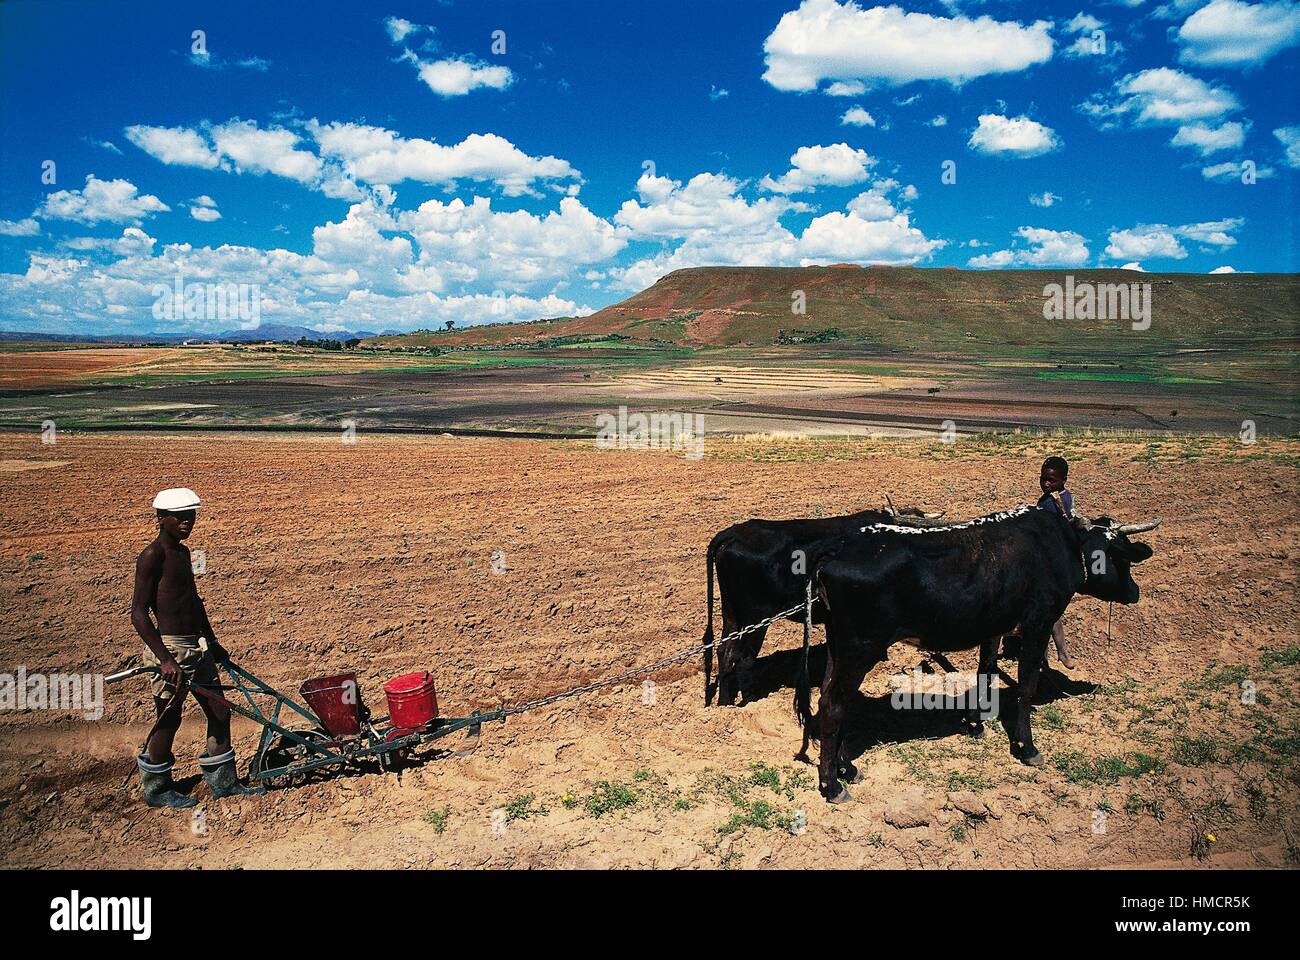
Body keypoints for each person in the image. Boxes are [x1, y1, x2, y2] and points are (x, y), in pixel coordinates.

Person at [130, 487, 264, 808]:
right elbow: (138, 613)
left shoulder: (183, 553)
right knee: (168, 718)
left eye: (191, 517)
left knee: (220, 710)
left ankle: (224, 783)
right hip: (171, 649)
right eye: (180, 518)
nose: (188, 523)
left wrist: (212, 640)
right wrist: (164, 659)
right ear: (162, 519)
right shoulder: (153, 556)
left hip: (197, 647)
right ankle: (158, 790)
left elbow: (193, 601)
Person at [1036, 456, 1077, 669]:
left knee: (1050, 613)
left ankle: (1058, 653)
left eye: (1051, 480)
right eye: (1043, 479)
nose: (1046, 484)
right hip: (1048, 559)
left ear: (1064, 480)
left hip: (1050, 562)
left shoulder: (1057, 501)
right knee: (1047, 614)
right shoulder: (1052, 499)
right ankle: (1050, 655)